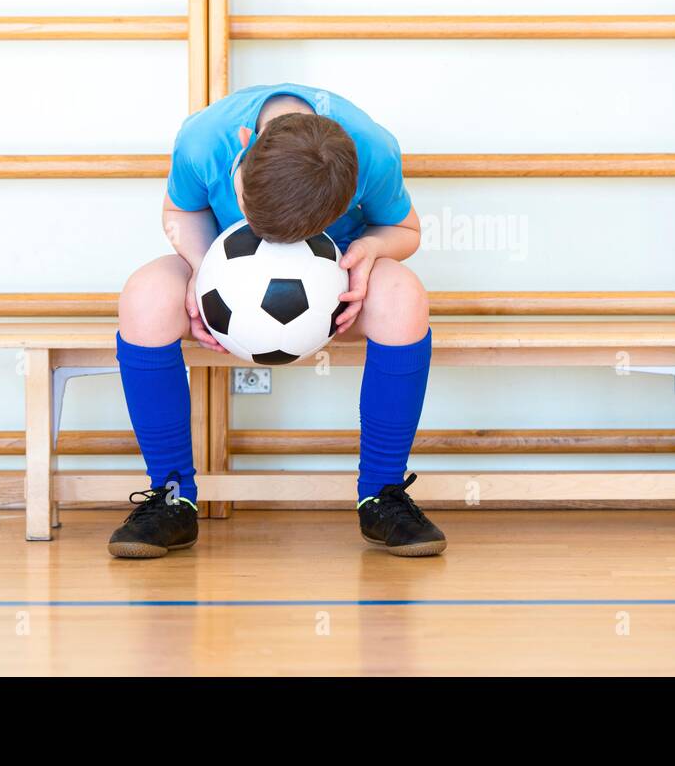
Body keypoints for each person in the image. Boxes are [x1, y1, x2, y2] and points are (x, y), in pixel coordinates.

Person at [107, 83, 444, 559]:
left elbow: (404, 230)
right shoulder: (204, 139)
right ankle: (171, 496)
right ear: (244, 141)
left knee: (404, 296)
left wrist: (370, 248)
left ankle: (381, 494)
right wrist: (203, 271)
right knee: (144, 296)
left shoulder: (372, 149)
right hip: (221, 265)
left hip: (334, 277)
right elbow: (179, 211)